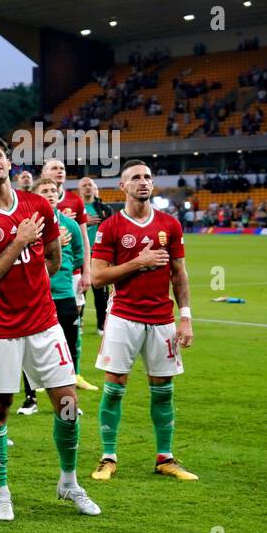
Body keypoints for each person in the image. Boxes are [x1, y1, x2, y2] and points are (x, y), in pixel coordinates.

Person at [0, 136, 99, 522]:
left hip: (43, 322)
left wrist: (31, 276)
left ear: (9, 162)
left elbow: (54, 258)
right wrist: (19, 242)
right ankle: (1, 490)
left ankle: (69, 482)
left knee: (68, 405)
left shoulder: (38, 205)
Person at [89, 161, 196, 482]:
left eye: (147, 177)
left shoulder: (169, 224)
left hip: (162, 319)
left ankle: (165, 458)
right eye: (135, 177)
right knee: (115, 386)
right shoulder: (111, 227)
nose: (143, 182)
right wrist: (139, 262)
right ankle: (108, 457)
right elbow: (97, 277)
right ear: (122, 187)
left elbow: (179, 274)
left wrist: (186, 317)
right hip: (123, 317)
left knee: (163, 388)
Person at [17, 178, 86, 414]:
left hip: (64, 292)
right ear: (35, 196)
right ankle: (30, 398)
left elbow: (78, 256)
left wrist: (65, 273)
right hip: (34, 295)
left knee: (68, 347)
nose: (50, 194)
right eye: (43, 190)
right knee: (30, 349)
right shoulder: (26, 224)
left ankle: (69, 400)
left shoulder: (71, 225)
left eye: (53, 190)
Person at [40, 159, 95, 391]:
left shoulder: (74, 200)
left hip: (69, 275)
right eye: (54, 168)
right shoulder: (32, 203)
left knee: (73, 326)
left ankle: (75, 374)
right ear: (43, 173)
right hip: (41, 276)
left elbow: (82, 239)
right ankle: (41, 379)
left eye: (62, 168)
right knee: (41, 329)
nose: (59, 171)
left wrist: (86, 272)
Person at [79, 176, 114, 334]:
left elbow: (113, 231)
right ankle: (77, 322)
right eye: (84, 185)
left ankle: (102, 325)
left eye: (90, 185)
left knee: (101, 293)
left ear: (94, 188)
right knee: (80, 290)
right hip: (80, 255)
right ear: (79, 189)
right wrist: (83, 221)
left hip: (99, 256)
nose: (87, 187)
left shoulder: (104, 208)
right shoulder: (75, 208)